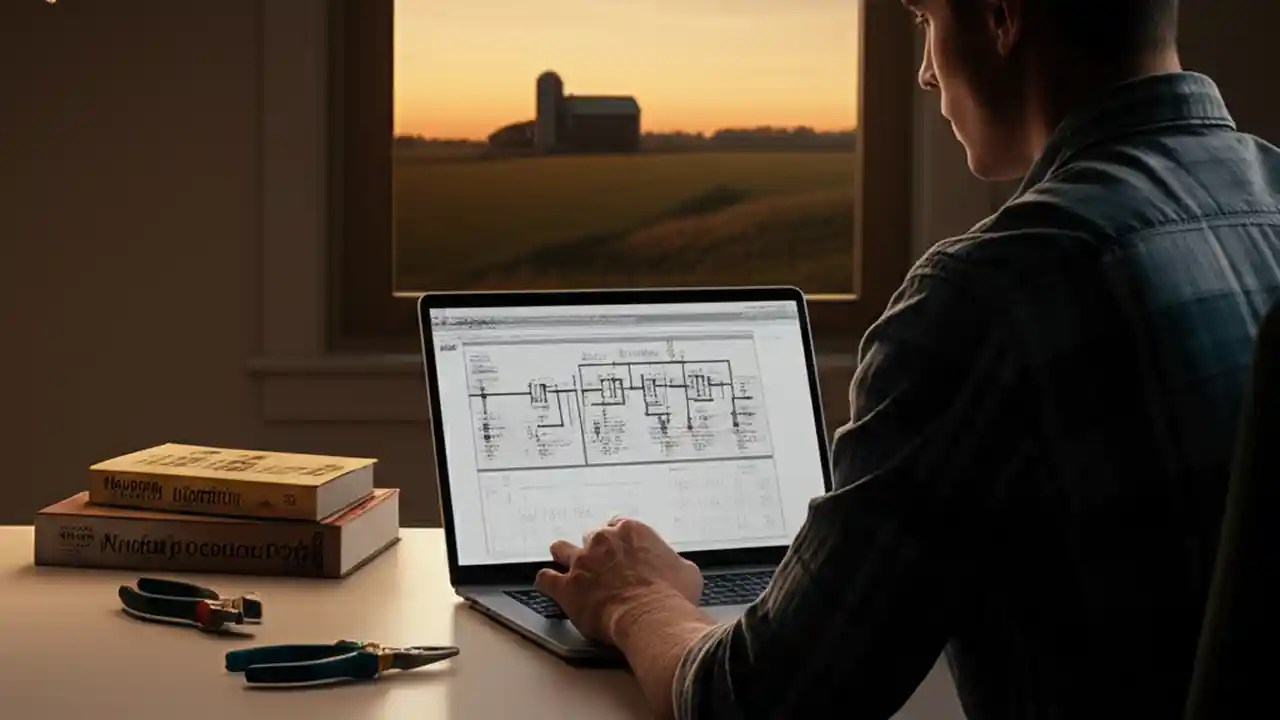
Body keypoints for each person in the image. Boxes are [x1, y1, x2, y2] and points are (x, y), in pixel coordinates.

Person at [534, 0, 1280, 717]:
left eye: (926, 20)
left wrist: (636, 598)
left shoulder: (993, 291)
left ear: (1002, 15)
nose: (924, 72)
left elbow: (759, 700)